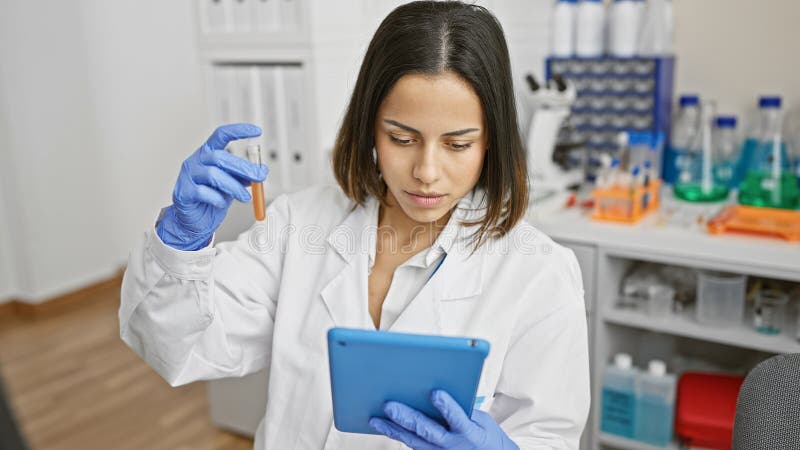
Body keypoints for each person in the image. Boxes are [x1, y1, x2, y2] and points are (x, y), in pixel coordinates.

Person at [119, 1, 589, 449]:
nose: (427, 170)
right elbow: (178, 345)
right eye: (402, 138)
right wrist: (181, 242)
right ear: (370, 128)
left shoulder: (539, 273)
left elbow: (548, 435)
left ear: (492, 143)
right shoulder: (299, 223)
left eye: (458, 145)